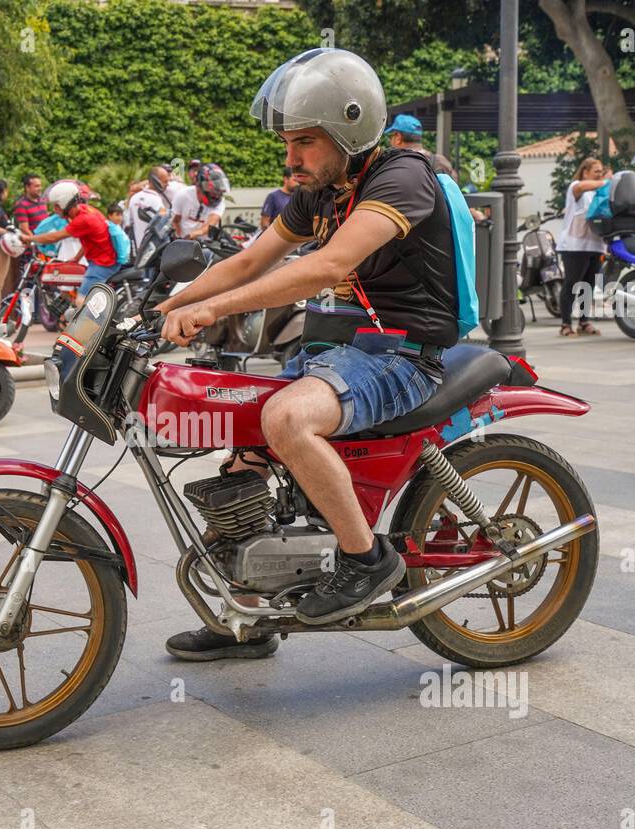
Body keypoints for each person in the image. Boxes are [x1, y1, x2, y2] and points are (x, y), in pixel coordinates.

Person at [159, 48, 458, 661]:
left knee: (286, 419)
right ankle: (245, 611)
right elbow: (246, 261)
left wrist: (214, 311)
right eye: (289, 141)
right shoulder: (318, 192)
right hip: (339, 350)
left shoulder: (401, 177)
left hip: (402, 356)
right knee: (243, 430)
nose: (290, 157)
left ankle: (365, 558)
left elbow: (328, 265)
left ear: (350, 128)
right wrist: (159, 308)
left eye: (305, 142)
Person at [18, 181, 116, 304]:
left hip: (102, 263)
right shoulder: (86, 210)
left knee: (81, 302)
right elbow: (89, 241)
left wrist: (29, 238)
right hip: (100, 260)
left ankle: (94, 323)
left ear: (64, 204)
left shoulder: (82, 219)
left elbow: (54, 237)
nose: (54, 210)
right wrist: (76, 258)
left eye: (56, 206)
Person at [556, 157, 609, 337]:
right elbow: (580, 187)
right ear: (585, 172)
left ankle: (584, 321)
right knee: (572, 283)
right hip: (574, 245)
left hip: (596, 245)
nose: (599, 176)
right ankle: (565, 324)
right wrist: (606, 181)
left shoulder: (600, 192)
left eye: (601, 173)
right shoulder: (576, 187)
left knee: (589, 285)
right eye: (596, 172)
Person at [171, 162, 229, 238]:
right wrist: (177, 239)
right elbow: (175, 221)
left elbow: (212, 222)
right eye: (212, 191)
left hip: (205, 244)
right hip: (183, 243)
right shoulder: (183, 195)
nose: (216, 195)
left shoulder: (219, 201)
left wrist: (195, 234)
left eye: (217, 191)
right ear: (200, 186)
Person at [125, 165, 169, 247]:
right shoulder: (156, 200)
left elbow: (128, 224)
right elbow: (164, 224)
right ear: (156, 181)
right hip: (150, 249)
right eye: (165, 182)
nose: (167, 184)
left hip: (136, 248)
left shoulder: (134, 198)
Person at [259, 166, 296, 232]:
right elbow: (264, 222)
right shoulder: (273, 197)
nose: (297, 183)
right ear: (285, 179)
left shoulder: (298, 198)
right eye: (294, 180)